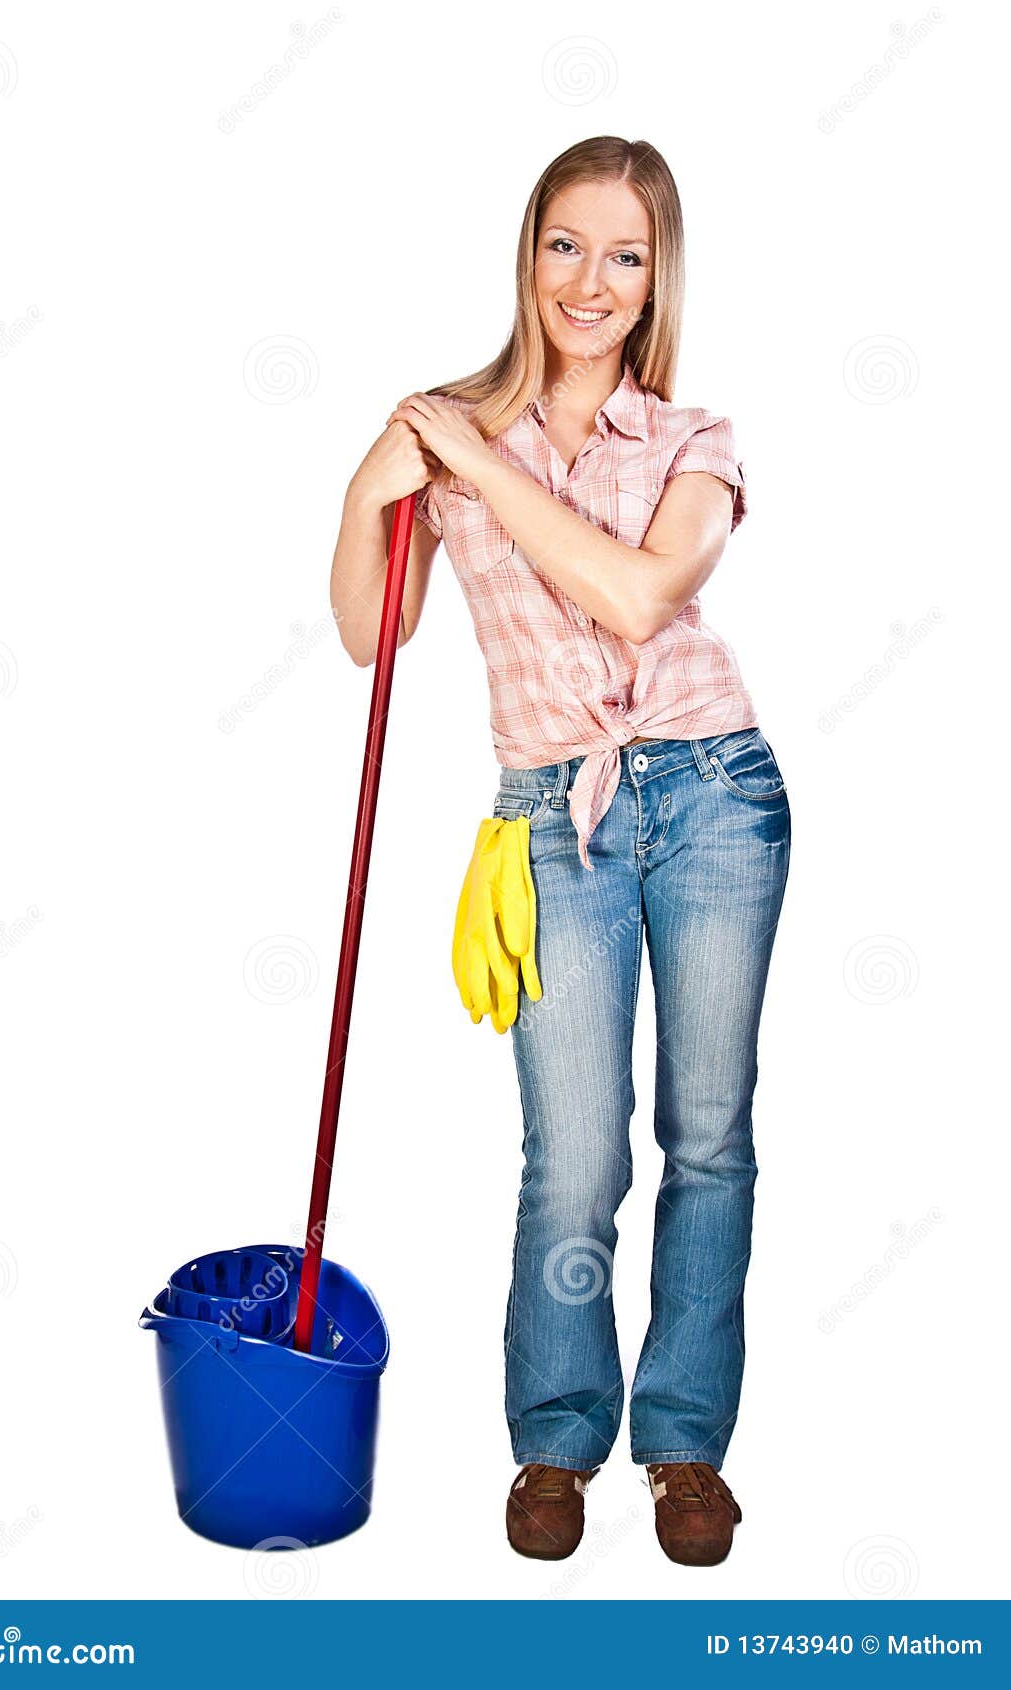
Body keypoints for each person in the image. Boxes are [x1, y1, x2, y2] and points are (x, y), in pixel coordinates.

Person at [329, 136, 790, 1568]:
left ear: (659, 281)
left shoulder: (694, 439)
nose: (591, 282)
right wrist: (372, 484)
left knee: (706, 1139)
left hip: (716, 794)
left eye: (626, 255)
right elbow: (371, 632)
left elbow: (644, 596)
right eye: (566, 246)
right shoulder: (456, 432)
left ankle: (687, 1448)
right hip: (550, 819)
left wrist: (475, 455)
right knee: (571, 1150)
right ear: (527, 255)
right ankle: (556, 1438)